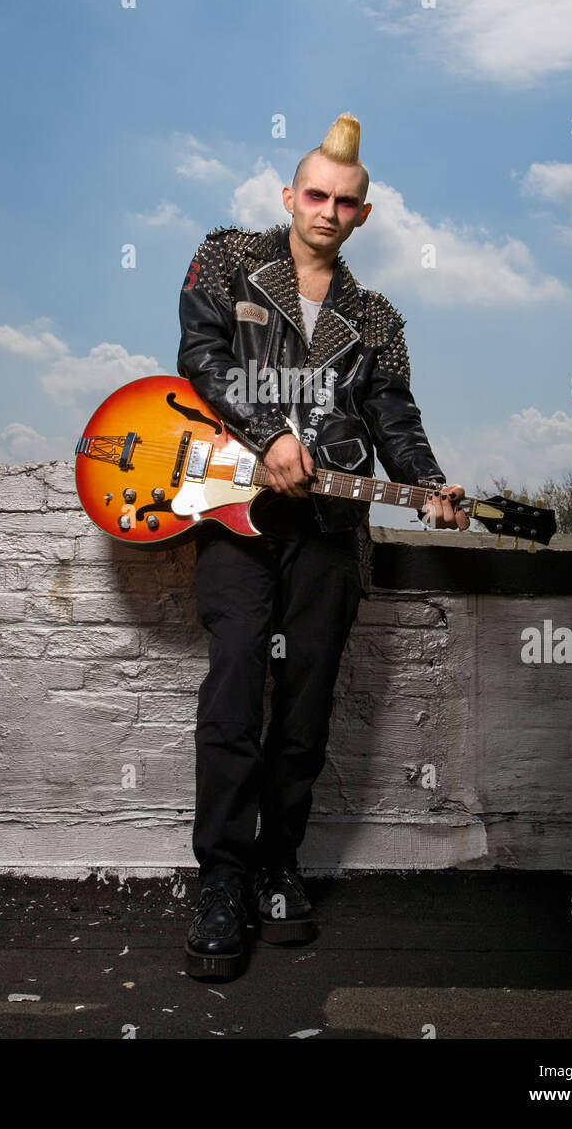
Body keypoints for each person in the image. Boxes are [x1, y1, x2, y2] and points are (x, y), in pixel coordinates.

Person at [176, 113, 468, 979]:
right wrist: (267, 433)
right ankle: (222, 880)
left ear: (362, 216)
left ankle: (277, 866)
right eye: (315, 194)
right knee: (233, 688)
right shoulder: (226, 259)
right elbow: (199, 358)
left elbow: (394, 419)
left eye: (345, 202)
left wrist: (431, 482)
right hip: (236, 515)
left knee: (304, 705)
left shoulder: (375, 317)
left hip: (332, 531)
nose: (327, 211)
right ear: (288, 196)